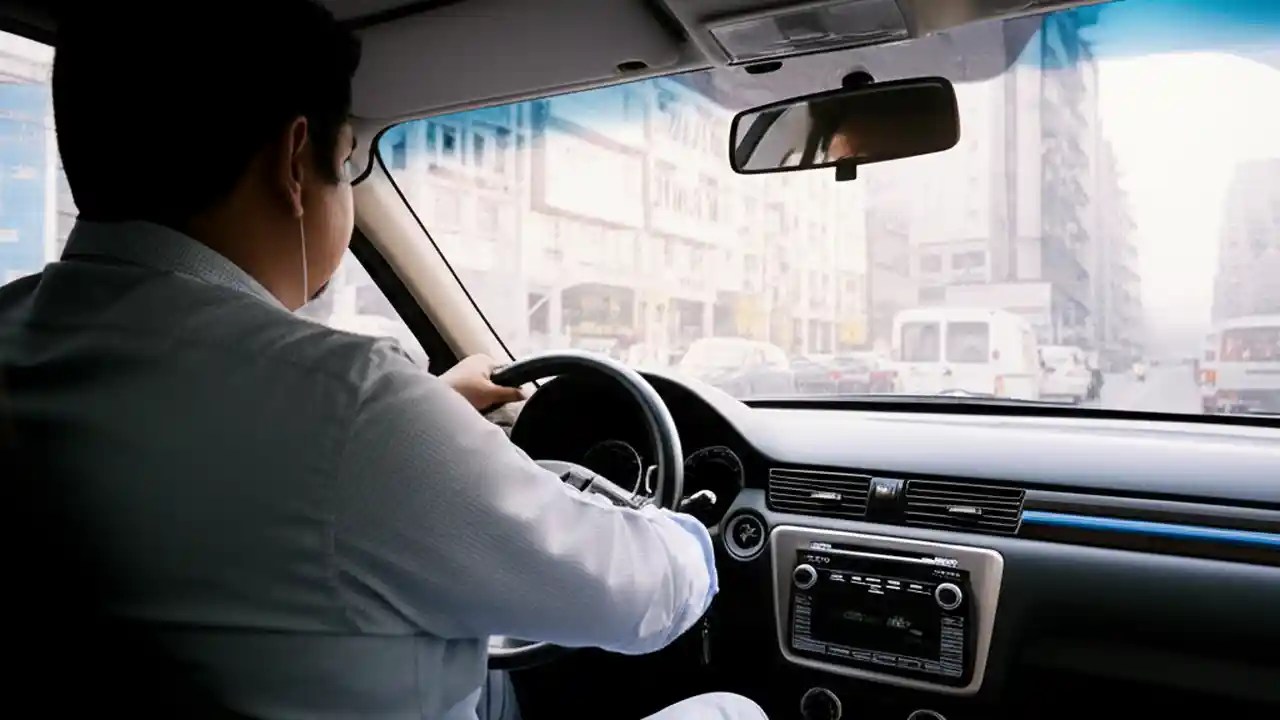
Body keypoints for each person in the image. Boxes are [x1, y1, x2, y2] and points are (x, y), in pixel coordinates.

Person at [0, 2, 766, 719]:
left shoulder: (15, 327)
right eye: (352, 157)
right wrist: (689, 532)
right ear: (296, 162)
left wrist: (433, 411)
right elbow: (640, 599)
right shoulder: (352, 406)